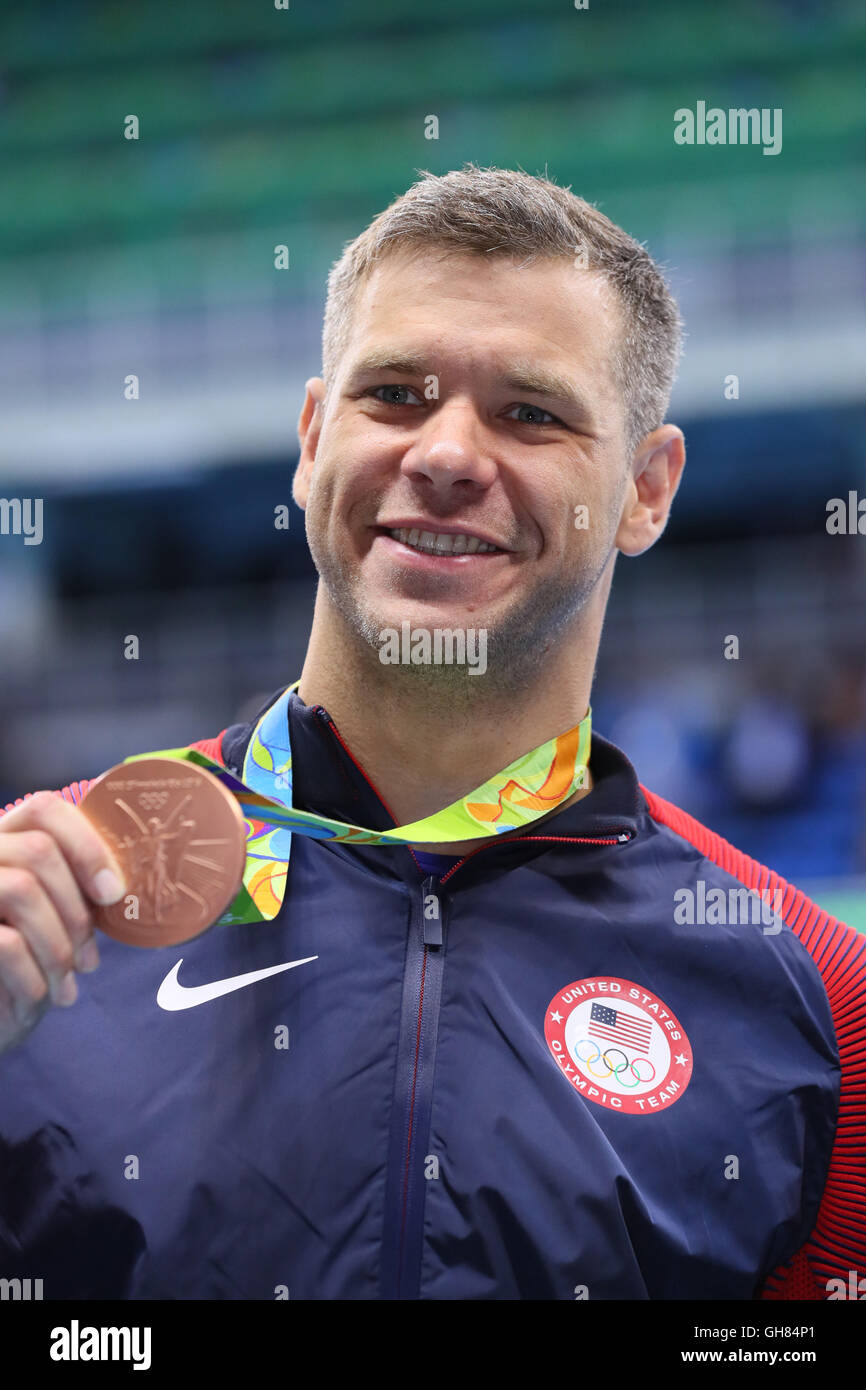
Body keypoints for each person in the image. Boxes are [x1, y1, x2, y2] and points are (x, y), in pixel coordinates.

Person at [0, 165, 863, 1301]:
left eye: (530, 412)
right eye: (395, 395)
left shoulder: (820, 996)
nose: (447, 454)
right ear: (312, 442)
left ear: (645, 490)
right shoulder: (40, 890)